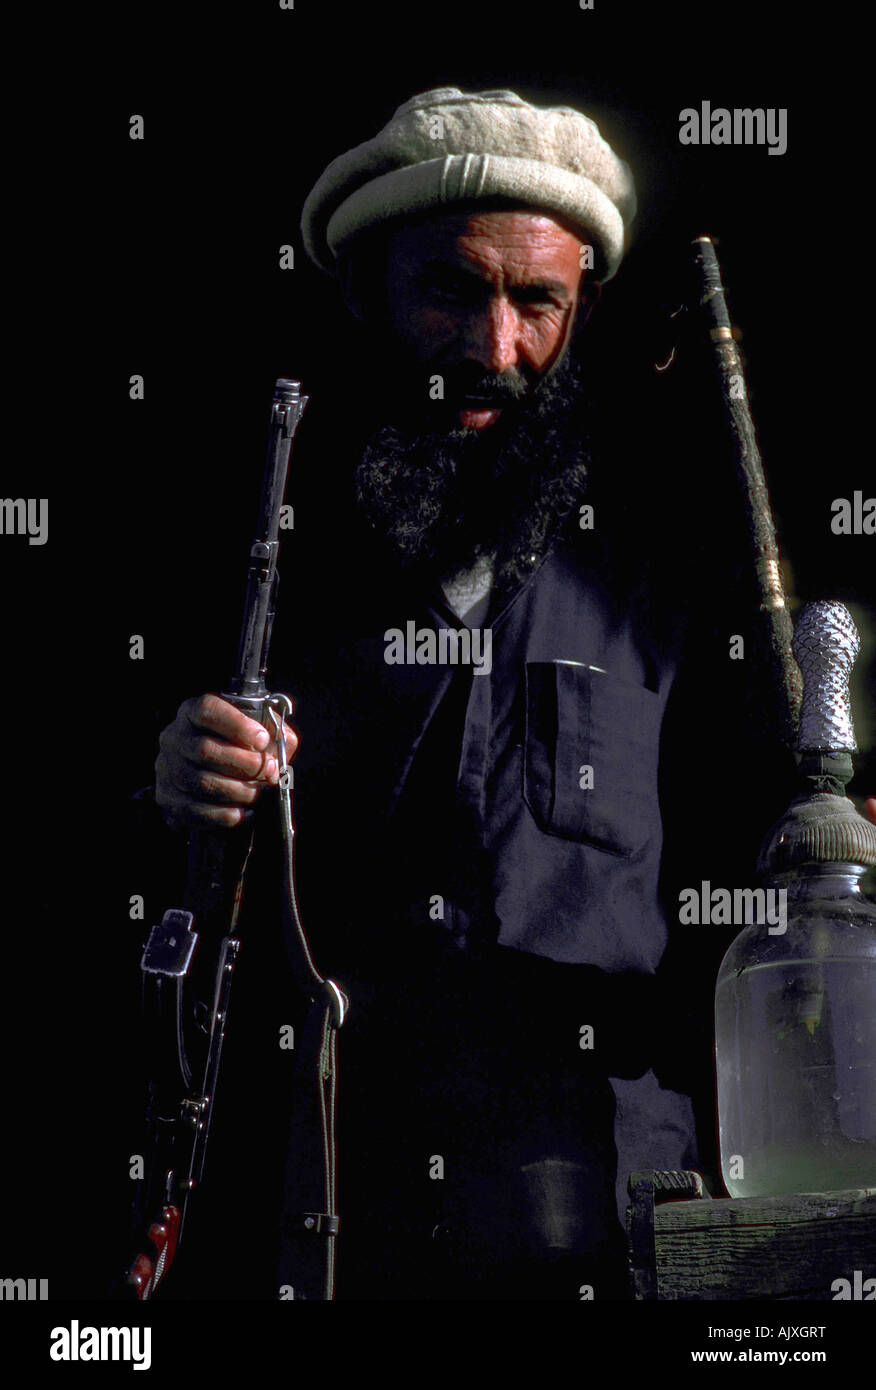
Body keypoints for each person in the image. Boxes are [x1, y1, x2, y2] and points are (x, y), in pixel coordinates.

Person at [148, 88, 876, 1300]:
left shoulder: (680, 588)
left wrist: (830, 865)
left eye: (536, 301)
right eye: (451, 289)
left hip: (616, 1231)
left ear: (579, 309)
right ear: (370, 294)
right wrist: (181, 786)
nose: (495, 348)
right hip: (331, 1227)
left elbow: (767, 888)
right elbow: (153, 921)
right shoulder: (267, 584)